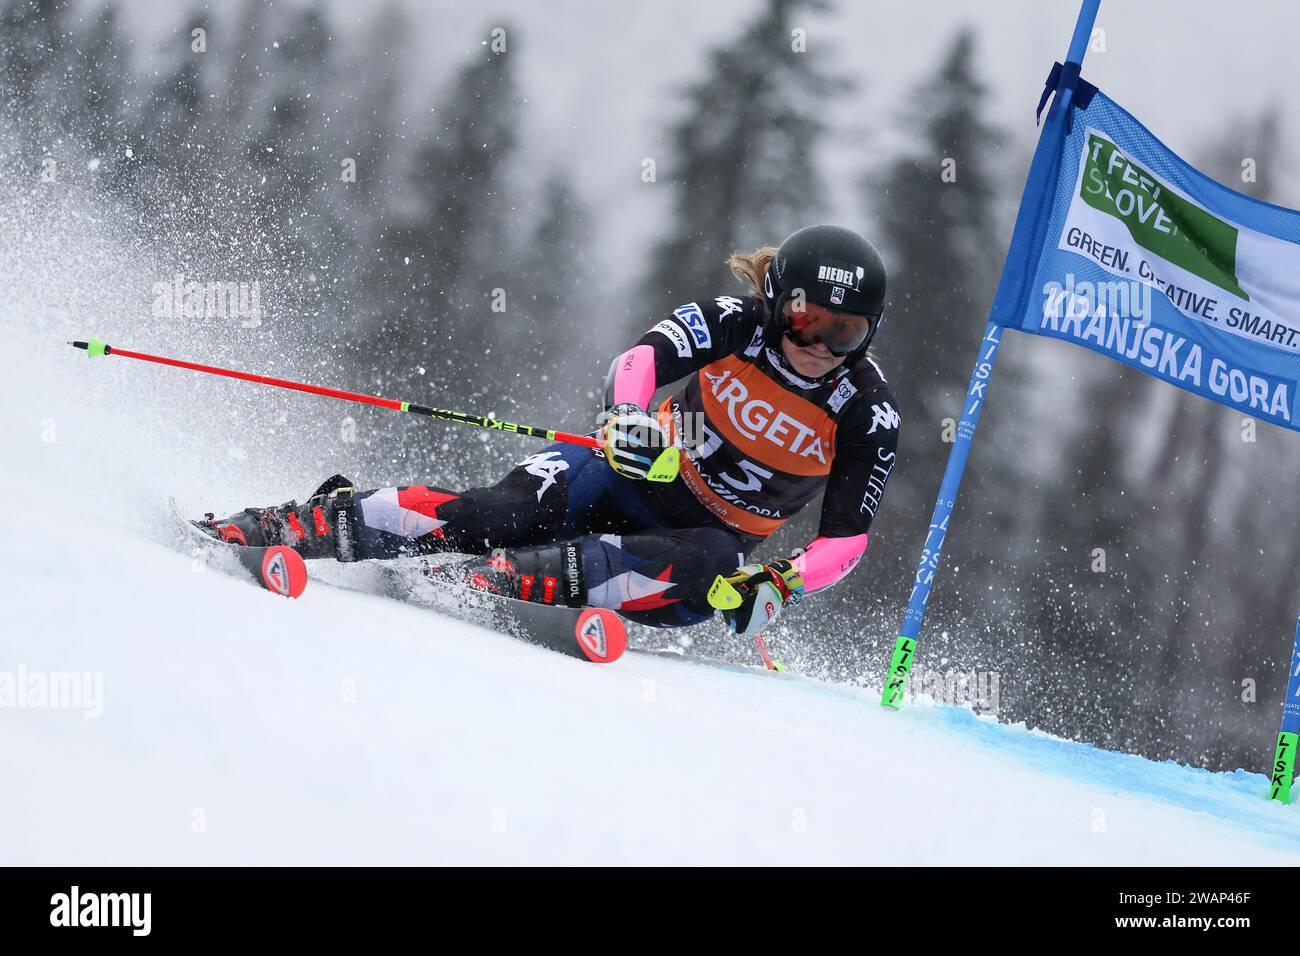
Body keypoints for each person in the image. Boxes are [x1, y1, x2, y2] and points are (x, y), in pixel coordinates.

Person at [199, 224, 902, 636]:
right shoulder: (734, 323)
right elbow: (639, 361)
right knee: (499, 512)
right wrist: (626, 418)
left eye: (847, 332)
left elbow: (845, 541)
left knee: (717, 562)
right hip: (621, 476)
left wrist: (780, 583)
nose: (821, 344)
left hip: (689, 545)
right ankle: (292, 524)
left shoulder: (866, 410)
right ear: (778, 300)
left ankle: (500, 579)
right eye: (809, 320)